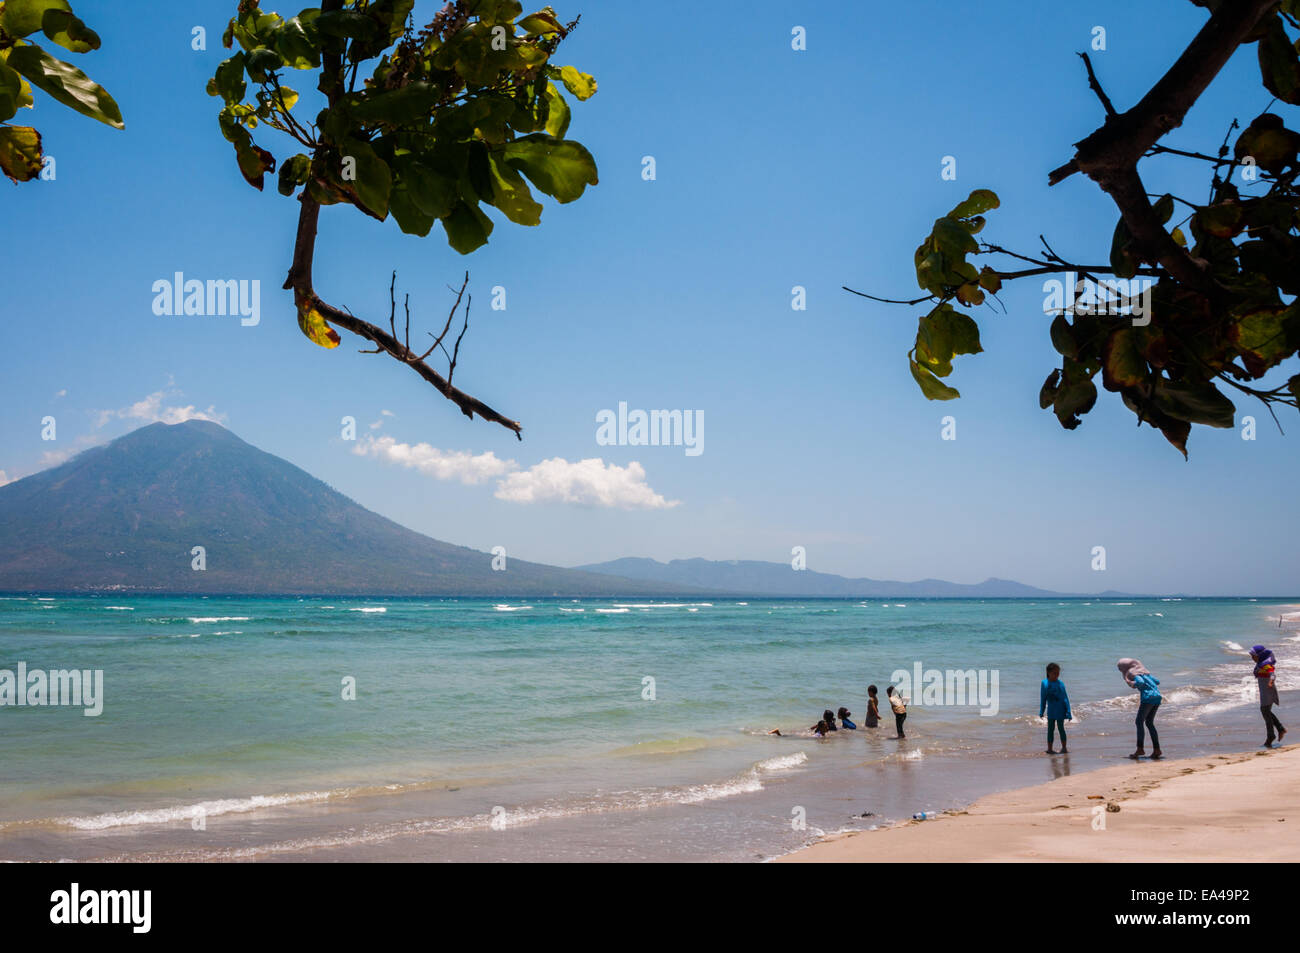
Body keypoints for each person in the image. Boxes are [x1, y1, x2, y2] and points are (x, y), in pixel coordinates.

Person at [1117, 658, 1162, 760]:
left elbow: (1140, 682)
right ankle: (1157, 749)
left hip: (1147, 698)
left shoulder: (1133, 673)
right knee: (1149, 723)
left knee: (1139, 722)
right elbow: (1157, 682)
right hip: (1157, 697)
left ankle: (1140, 749)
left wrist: (1131, 683)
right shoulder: (1146, 673)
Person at [1250, 645, 1286, 748]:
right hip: (1264, 692)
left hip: (1268, 691)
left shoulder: (1266, 665)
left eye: (1254, 656)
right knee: (1266, 711)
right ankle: (1280, 729)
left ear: (1260, 655)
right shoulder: (1260, 665)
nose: (1252, 658)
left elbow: (1273, 674)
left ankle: (1271, 736)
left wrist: (1270, 682)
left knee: (1265, 710)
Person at [1039, 662, 1072, 754]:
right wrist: (1041, 711)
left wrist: (1068, 712)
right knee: (1050, 730)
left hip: (1060, 710)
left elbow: (1065, 698)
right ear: (1048, 672)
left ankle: (1064, 748)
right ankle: (1050, 749)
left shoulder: (1060, 684)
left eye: (1058, 673)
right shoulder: (1044, 683)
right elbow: (1043, 698)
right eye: (1054, 673)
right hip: (1051, 711)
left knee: (1061, 729)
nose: (1057, 675)